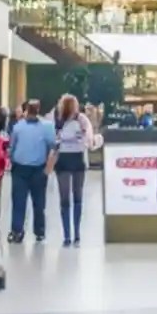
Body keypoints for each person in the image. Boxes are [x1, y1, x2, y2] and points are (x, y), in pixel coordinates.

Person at [8, 100, 56, 243]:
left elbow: (12, 147)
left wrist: (48, 167)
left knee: (22, 201)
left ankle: (19, 230)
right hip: (33, 168)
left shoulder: (18, 127)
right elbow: (52, 146)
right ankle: (36, 231)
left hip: (25, 168)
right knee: (36, 202)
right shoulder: (46, 127)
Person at [54, 94, 92, 247]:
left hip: (65, 159)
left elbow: (54, 139)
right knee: (77, 197)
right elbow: (88, 138)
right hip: (76, 159)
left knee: (66, 199)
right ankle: (75, 234)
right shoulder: (80, 119)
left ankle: (68, 235)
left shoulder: (59, 120)